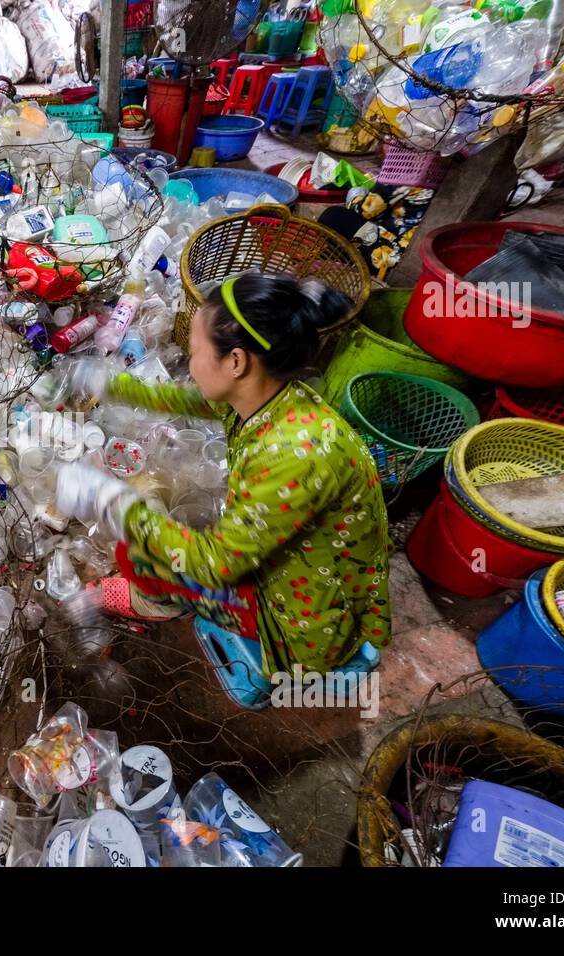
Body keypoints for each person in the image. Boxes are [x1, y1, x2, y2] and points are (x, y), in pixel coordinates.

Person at [56, 273, 392, 707]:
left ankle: (172, 608)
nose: (191, 363)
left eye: (195, 353)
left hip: (301, 614)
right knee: (160, 527)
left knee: (139, 552)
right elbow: (189, 399)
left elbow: (217, 567)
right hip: (301, 565)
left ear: (236, 362)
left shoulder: (292, 454)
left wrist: (112, 503)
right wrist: (110, 383)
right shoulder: (273, 394)